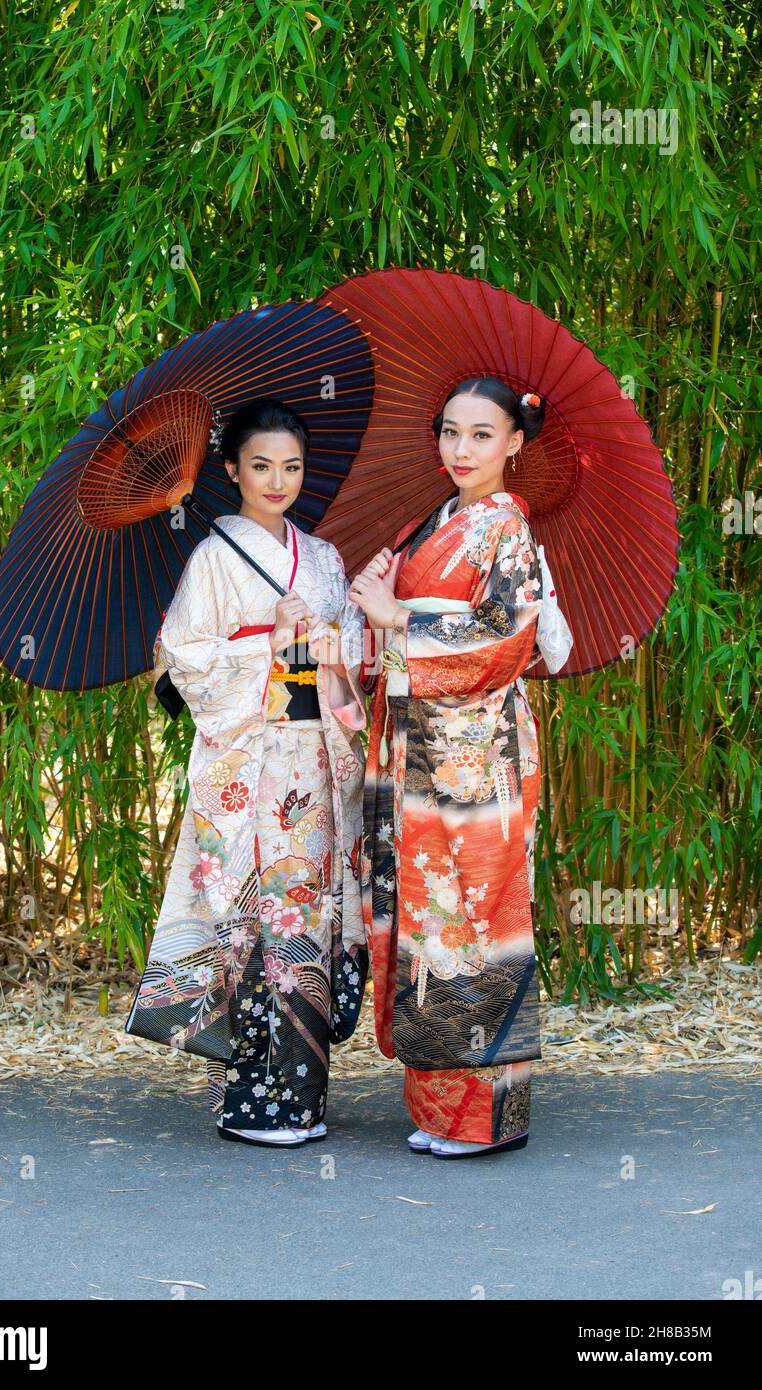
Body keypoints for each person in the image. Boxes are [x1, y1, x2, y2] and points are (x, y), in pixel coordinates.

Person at [126, 398, 369, 1148]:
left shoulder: (323, 559)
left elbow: (359, 653)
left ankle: (304, 1097)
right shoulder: (212, 558)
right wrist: (271, 648)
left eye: (291, 467)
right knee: (258, 921)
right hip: (251, 763)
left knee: (310, 914)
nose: (277, 480)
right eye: (260, 466)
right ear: (230, 470)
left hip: (315, 765)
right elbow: (182, 660)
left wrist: (324, 640)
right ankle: (257, 1099)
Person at [349, 377, 556, 1158]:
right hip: (418, 745)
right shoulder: (438, 521)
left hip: (480, 758)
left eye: (481, 435)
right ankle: (442, 1107)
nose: (461, 450)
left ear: (514, 443)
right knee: (424, 921)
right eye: (450, 433)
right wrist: (377, 601)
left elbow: (505, 637)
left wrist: (395, 613)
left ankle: (488, 1117)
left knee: (475, 920)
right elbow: (395, 635)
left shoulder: (506, 532)